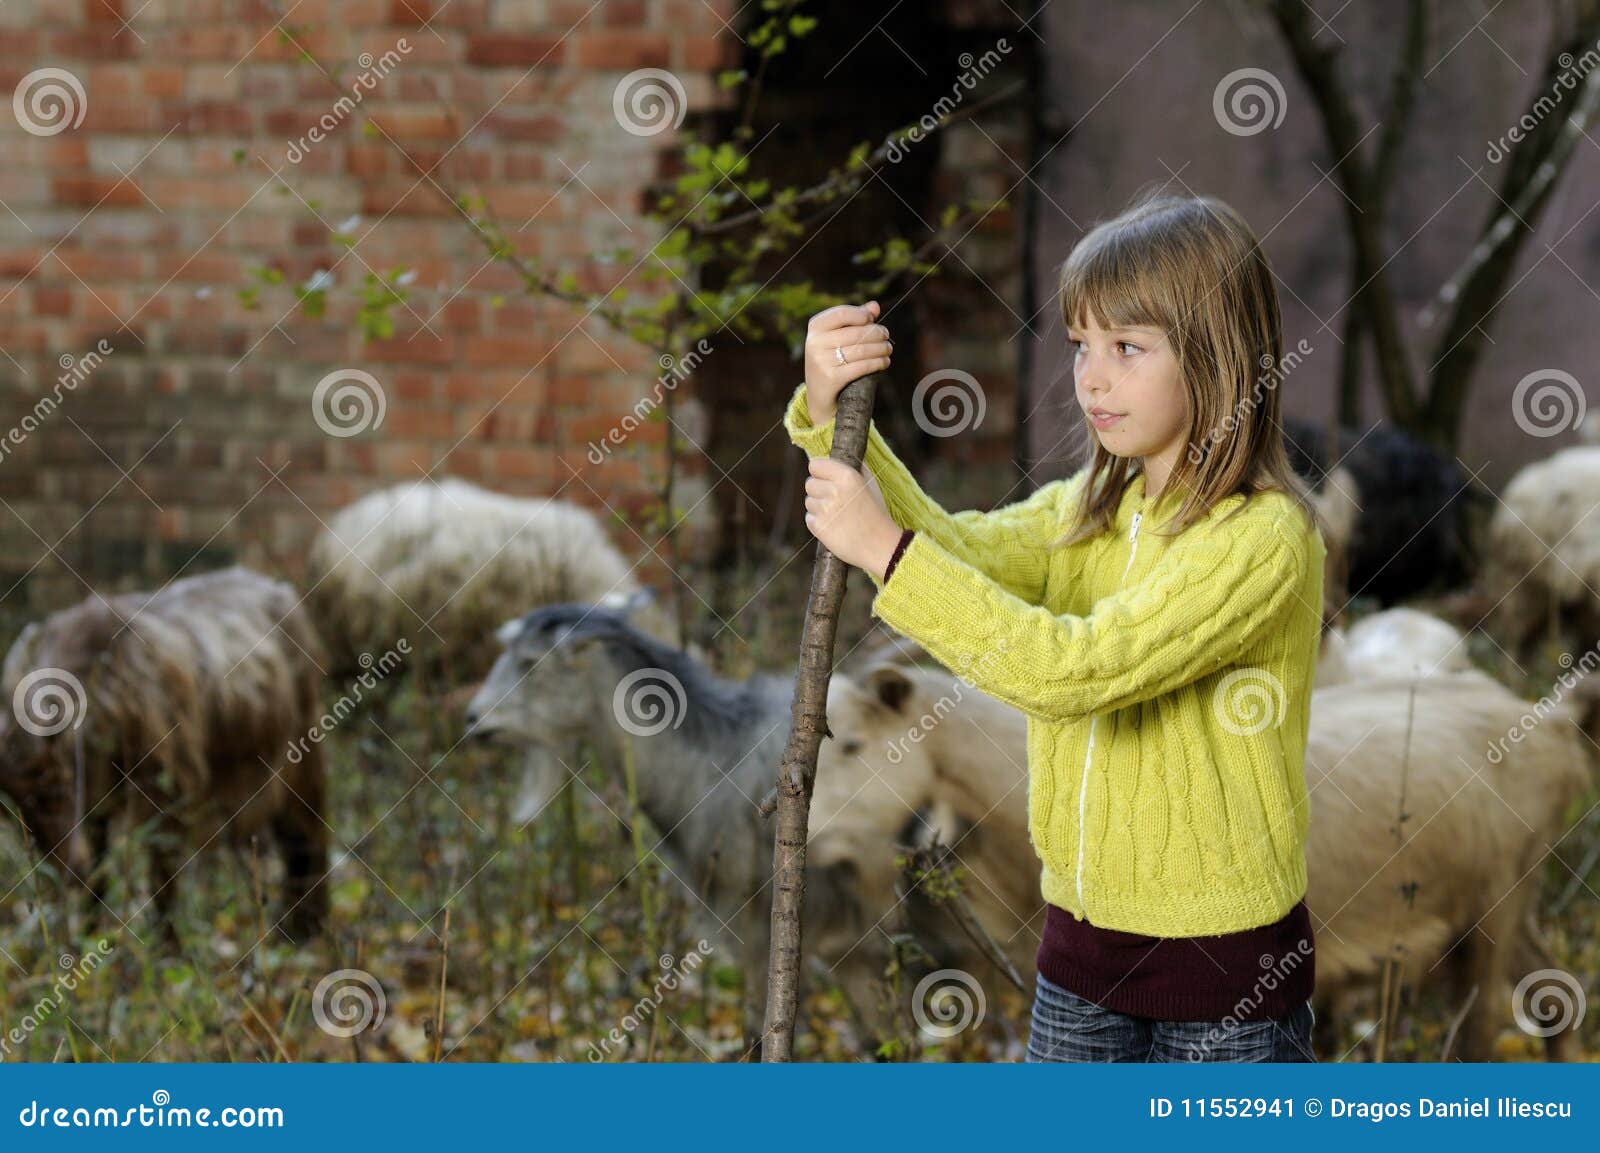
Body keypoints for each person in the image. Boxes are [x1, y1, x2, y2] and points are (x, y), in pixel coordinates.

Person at [785, 190, 1326, 1062]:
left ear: (1218, 357)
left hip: (1226, 982)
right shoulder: (1091, 509)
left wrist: (883, 552)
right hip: (1077, 955)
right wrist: (830, 416)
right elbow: (953, 549)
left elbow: (1071, 671)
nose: (1092, 376)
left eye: (1126, 347)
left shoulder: (1260, 539)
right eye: (1080, 345)